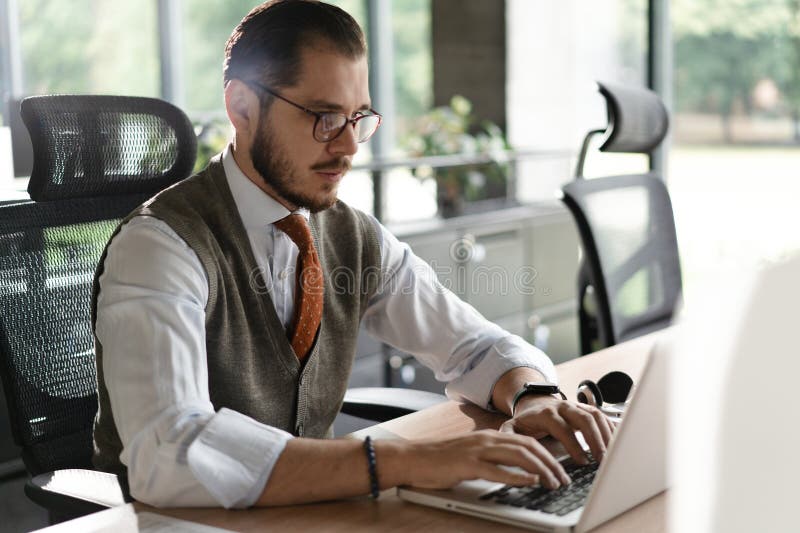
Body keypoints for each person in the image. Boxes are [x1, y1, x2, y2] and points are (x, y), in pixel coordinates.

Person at [92, 0, 613, 509]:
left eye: (357, 118)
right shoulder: (160, 246)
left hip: (311, 512)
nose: (348, 147)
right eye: (323, 117)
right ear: (243, 107)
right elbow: (171, 449)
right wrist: (406, 461)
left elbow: (471, 344)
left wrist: (533, 396)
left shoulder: (349, 233)